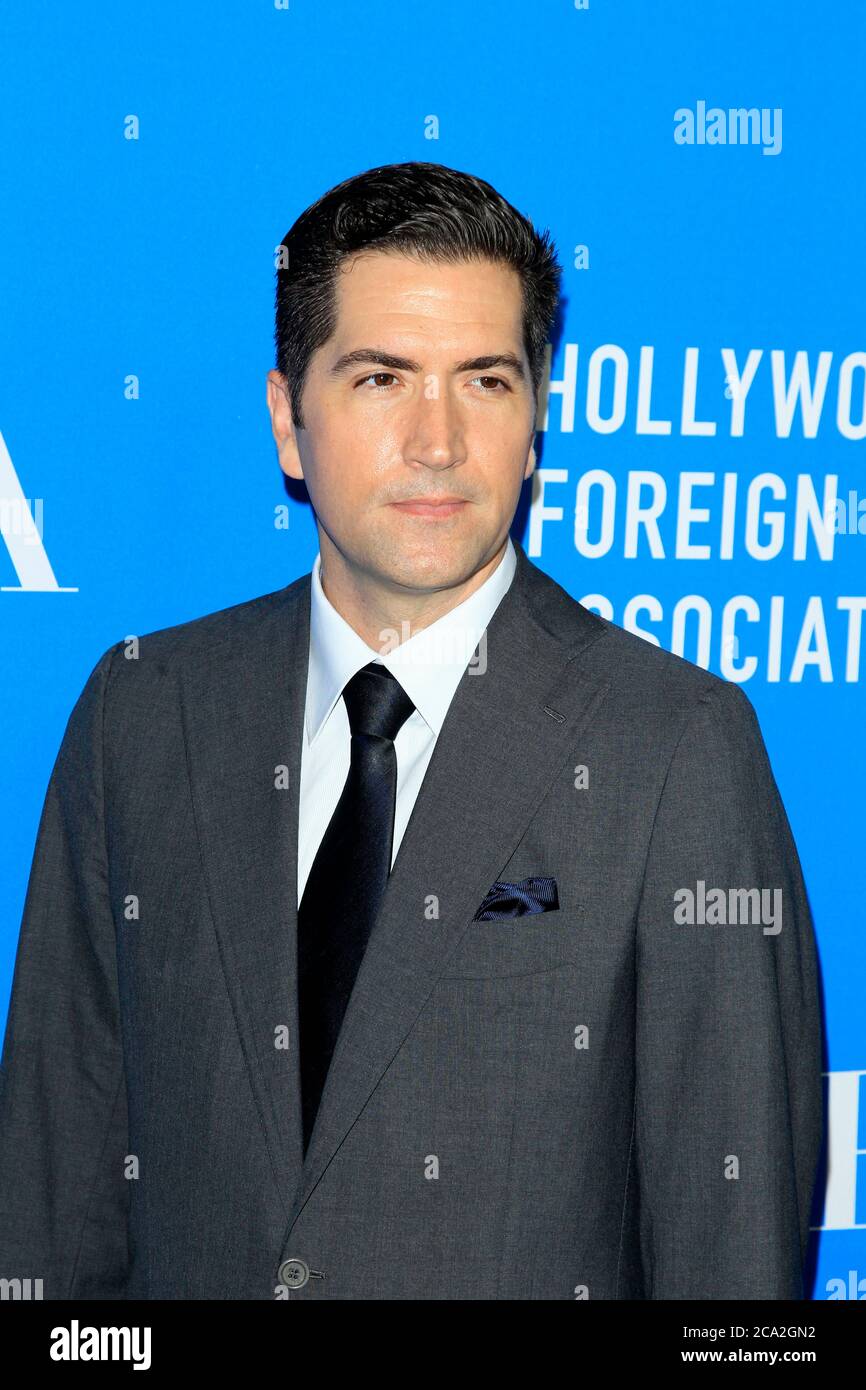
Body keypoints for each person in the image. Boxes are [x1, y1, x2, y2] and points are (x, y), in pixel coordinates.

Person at [0, 161, 822, 1299]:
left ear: (535, 422)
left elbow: (729, 1267)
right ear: (289, 420)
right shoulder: (144, 713)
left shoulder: (673, 746)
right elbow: (51, 1197)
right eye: (381, 377)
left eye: (484, 381)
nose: (436, 441)